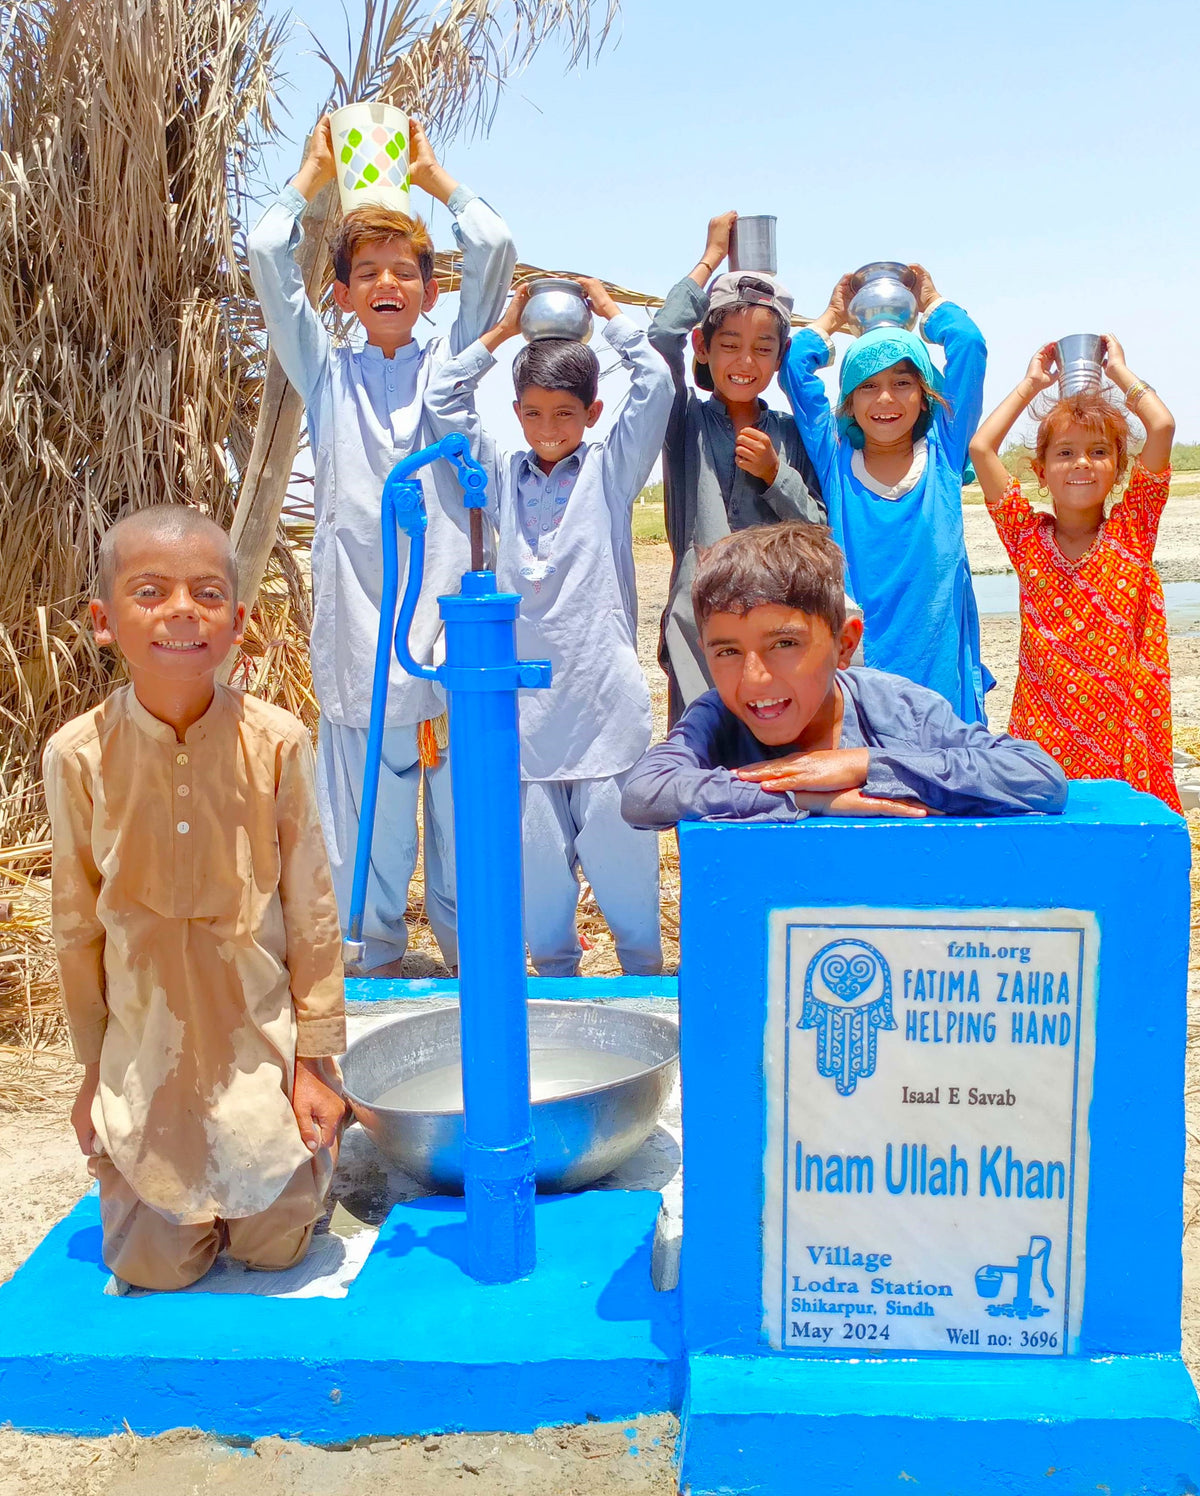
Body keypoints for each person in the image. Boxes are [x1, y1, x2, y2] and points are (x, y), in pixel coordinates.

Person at [43, 508, 346, 1292]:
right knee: (155, 1268)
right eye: (151, 591)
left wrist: (314, 1063)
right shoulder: (78, 756)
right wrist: (90, 1075)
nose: (182, 610)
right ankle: (144, 1162)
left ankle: (301, 1148)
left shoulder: (276, 741)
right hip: (144, 1054)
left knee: (274, 1249)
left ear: (238, 621)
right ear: (105, 622)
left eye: (207, 594)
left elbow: (311, 908)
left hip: (258, 1044)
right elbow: (76, 927)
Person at [248, 114, 516, 977]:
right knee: (365, 844)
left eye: (406, 269)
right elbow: (264, 255)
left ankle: (475, 980)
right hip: (364, 647)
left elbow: (497, 243)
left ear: (433, 289)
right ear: (345, 292)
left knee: (466, 837)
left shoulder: (456, 362)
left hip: (456, 649)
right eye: (367, 272)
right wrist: (310, 179)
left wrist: (435, 180)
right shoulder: (327, 375)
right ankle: (363, 977)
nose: (388, 283)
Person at [425, 279, 673, 975]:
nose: (548, 428)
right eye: (532, 413)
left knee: (626, 874)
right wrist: (504, 330)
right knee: (537, 880)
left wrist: (612, 315)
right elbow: (444, 398)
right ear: (516, 413)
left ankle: (646, 986)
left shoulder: (611, 471)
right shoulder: (500, 480)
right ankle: (556, 997)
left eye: (565, 413)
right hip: (526, 718)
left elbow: (654, 384)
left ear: (593, 412)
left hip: (603, 704)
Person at [620, 522, 1066, 831]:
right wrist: (801, 795)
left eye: (784, 644)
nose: (754, 680)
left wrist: (860, 764)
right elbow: (645, 793)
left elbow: (1037, 776)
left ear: (845, 645)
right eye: (729, 651)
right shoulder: (717, 714)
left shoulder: (900, 709)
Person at [969, 338, 1179, 810]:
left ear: (1119, 467)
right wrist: (1031, 384)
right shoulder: (1027, 538)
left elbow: (1161, 424)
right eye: (1064, 453)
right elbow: (982, 447)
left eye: (1098, 452)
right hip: (1045, 729)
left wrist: (1120, 372)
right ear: (1041, 471)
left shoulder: (1132, 532)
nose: (1081, 463)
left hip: (1122, 733)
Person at [780, 266, 990, 724]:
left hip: (940, 668)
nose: (885, 400)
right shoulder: (835, 460)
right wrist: (832, 317)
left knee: (948, 776)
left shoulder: (945, 452)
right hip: (864, 667)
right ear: (849, 402)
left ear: (924, 393)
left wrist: (932, 303)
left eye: (902, 382)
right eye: (868, 386)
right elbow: (794, 364)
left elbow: (969, 346)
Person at [648, 212, 824, 722]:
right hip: (698, 630)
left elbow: (819, 531)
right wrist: (709, 260)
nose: (745, 361)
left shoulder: (791, 435)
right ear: (703, 347)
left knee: (770, 760)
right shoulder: (684, 422)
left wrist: (777, 477)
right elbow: (661, 338)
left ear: (780, 356)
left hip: (778, 633)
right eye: (729, 346)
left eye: (762, 349)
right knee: (703, 757)